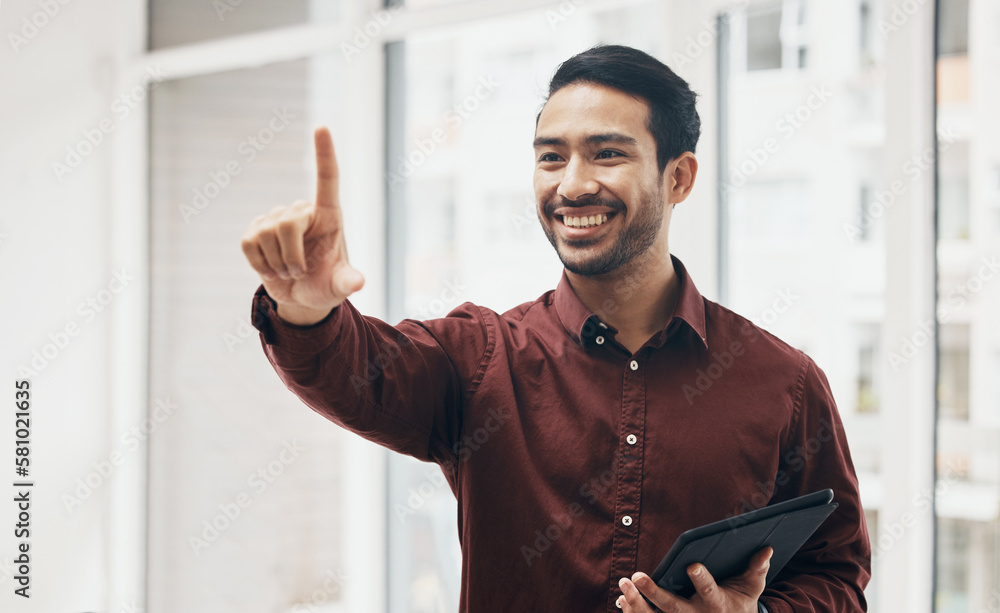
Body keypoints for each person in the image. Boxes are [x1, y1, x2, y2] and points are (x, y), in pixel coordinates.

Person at [240, 44, 870, 612]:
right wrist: (306, 308)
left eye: (607, 154)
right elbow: (356, 373)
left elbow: (836, 577)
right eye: (551, 158)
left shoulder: (783, 383)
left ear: (677, 177)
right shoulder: (478, 360)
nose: (572, 185)